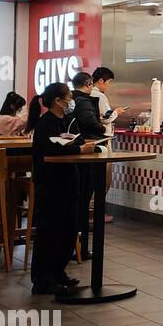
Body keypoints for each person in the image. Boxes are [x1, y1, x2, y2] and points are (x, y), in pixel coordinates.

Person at [28, 81, 97, 294]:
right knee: (49, 230)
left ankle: (58, 272)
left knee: (68, 229)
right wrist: (78, 148)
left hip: (70, 181)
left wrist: (85, 147)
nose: (71, 101)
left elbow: (78, 141)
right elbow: (52, 149)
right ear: (57, 101)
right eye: (68, 97)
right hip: (50, 184)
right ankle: (42, 279)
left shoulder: (69, 121)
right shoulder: (44, 123)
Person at [70, 72, 108, 260]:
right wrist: (102, 127)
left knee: (78, 200)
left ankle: (75, 247)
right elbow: (89, 122)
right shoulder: (84, 101)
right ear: (89, 83)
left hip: (74, 152)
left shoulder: (70, 100)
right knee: (83, 199)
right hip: (85, 151)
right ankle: (81, 248)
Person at [91, 67, 126, 222]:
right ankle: (94, 212)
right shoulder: (99, 95)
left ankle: (91, 210)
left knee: (93, 177)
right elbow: (106, 118)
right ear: (101, 81)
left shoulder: (88, 94)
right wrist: (116, 112)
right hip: (103, 140)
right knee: (104, 178)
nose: (109, 85)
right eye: (109, 82)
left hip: (93, 140)